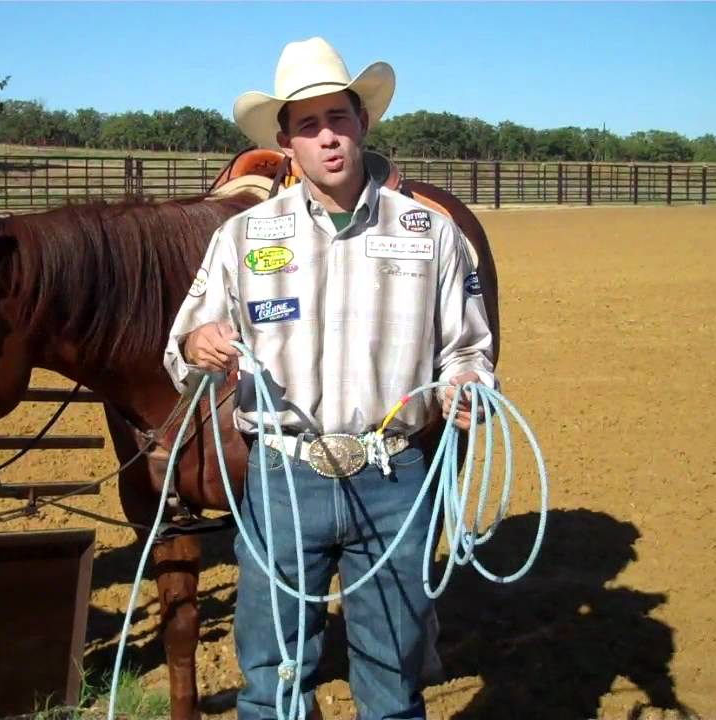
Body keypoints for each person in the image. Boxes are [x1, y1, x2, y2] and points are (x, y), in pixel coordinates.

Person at [162, 37, 496, 720]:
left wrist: (467, 387)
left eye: (338, 118)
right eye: (308, 125)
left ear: (362, 123)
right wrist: (199, 343)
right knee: (274, 680)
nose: (328, 138)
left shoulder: (430, 235)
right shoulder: (243, 239)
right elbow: (183, 345)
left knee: (392, 681)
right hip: (284, 480)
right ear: (286, 142)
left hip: (395, 480)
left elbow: (468, 349)